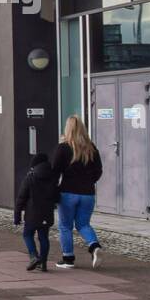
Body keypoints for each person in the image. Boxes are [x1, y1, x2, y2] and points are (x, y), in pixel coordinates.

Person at [51, 115, 105, 269]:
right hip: (87, 194)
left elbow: (55, 171)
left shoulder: (63, 148)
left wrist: (53, 191)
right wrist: (89, 182)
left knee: (65, 226)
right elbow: (99, 171)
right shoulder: (91, 148)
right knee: (83, 224)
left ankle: (68, 259)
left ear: (67, 129)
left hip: (68, 193)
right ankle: (94, 247)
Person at [14, 152, 59, 273]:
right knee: (44, 237)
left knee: (27, 235)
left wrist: (17, 215)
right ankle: (43, 263)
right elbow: (57, 197)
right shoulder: (53, 177)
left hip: (32, 215)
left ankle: (33, 256)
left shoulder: (30, 177)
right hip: (47, 214)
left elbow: (21, 198)